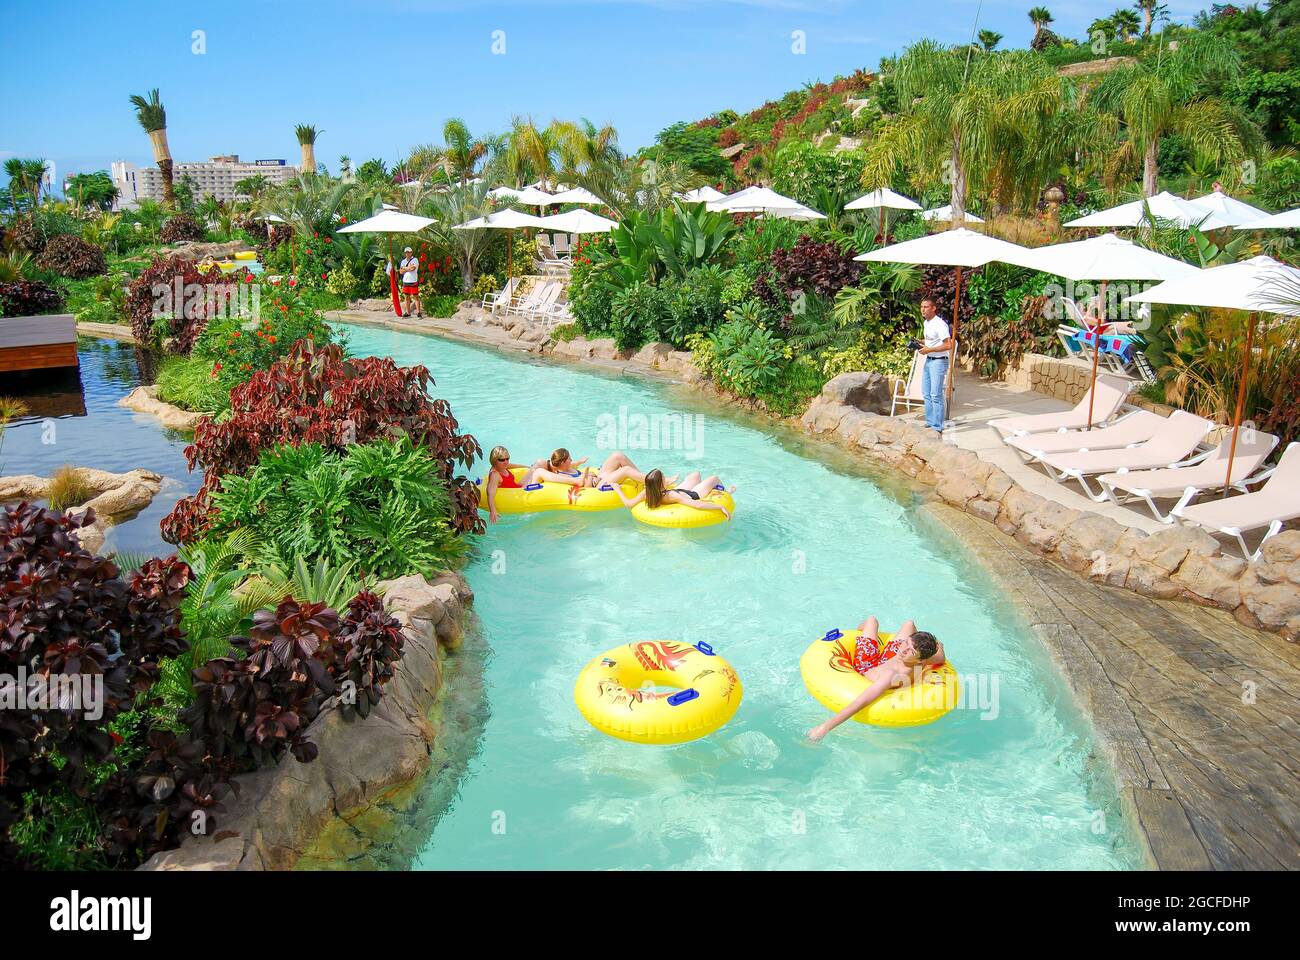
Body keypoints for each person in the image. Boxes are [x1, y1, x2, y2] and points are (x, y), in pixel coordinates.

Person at [806, 615, 946, 742]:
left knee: (871, 621)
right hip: (891, 659)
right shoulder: (919, 660)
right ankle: (859, 634)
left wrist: (825, 727)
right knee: (909, 623)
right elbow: (941, 657)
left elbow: (862, 700)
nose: (904, 649)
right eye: (907, 643)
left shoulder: (892, 675)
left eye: (912, 651)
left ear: (920, 661)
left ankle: (861, 632)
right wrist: (935, 644)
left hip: (866, 666)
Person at [482, 446, 643, 522]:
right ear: (494, 461)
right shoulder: (495, 474)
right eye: (502, 460)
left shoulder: (502, 466)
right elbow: (490, 491)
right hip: (519, 493)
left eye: (507, 459)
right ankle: (652, 482)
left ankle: (642, 479)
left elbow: (513, 466)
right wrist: (493, 510)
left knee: (538, 464)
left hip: (519, 484)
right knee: (538, 472)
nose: (506, 462)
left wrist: (527, 468)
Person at [612, 468, 733, 520]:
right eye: (664, 477)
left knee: (695, 475)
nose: (665, 477)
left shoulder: (647, 493)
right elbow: (697, 505)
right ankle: (727, 492)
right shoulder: (671, 496)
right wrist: (720, 506)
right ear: (660, 484)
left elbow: (628, 504)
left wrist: (618, 489)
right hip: (692, 495)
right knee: (714, 478)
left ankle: (698, 483)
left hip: (678, 491)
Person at [918, 297, 952, 434]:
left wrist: (930, 349)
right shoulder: (927, 323)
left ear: (933, 308)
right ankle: (930, 421)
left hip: (938, 362)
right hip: (929, 360)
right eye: (921, 307)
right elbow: (931, 340)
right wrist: (919, 342)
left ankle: (937, 426)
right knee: (926, 393)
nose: (923, 310)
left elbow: (948, 344)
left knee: (935, 394)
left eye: (926, 307)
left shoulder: (940, 324)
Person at [387, 246, 423, 318]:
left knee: (415, 297)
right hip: (406, 281)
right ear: (404, 253)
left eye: (409, 252)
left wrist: (404, 268)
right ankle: (408, 313)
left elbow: (412, 268)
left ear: (411, 253)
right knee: (407, 297)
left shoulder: (415, 260)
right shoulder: (403, 261)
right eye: (406, 252)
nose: (407, 253)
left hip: (413, 281)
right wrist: (407, 268)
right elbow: (401, 271)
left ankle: (419, 313)